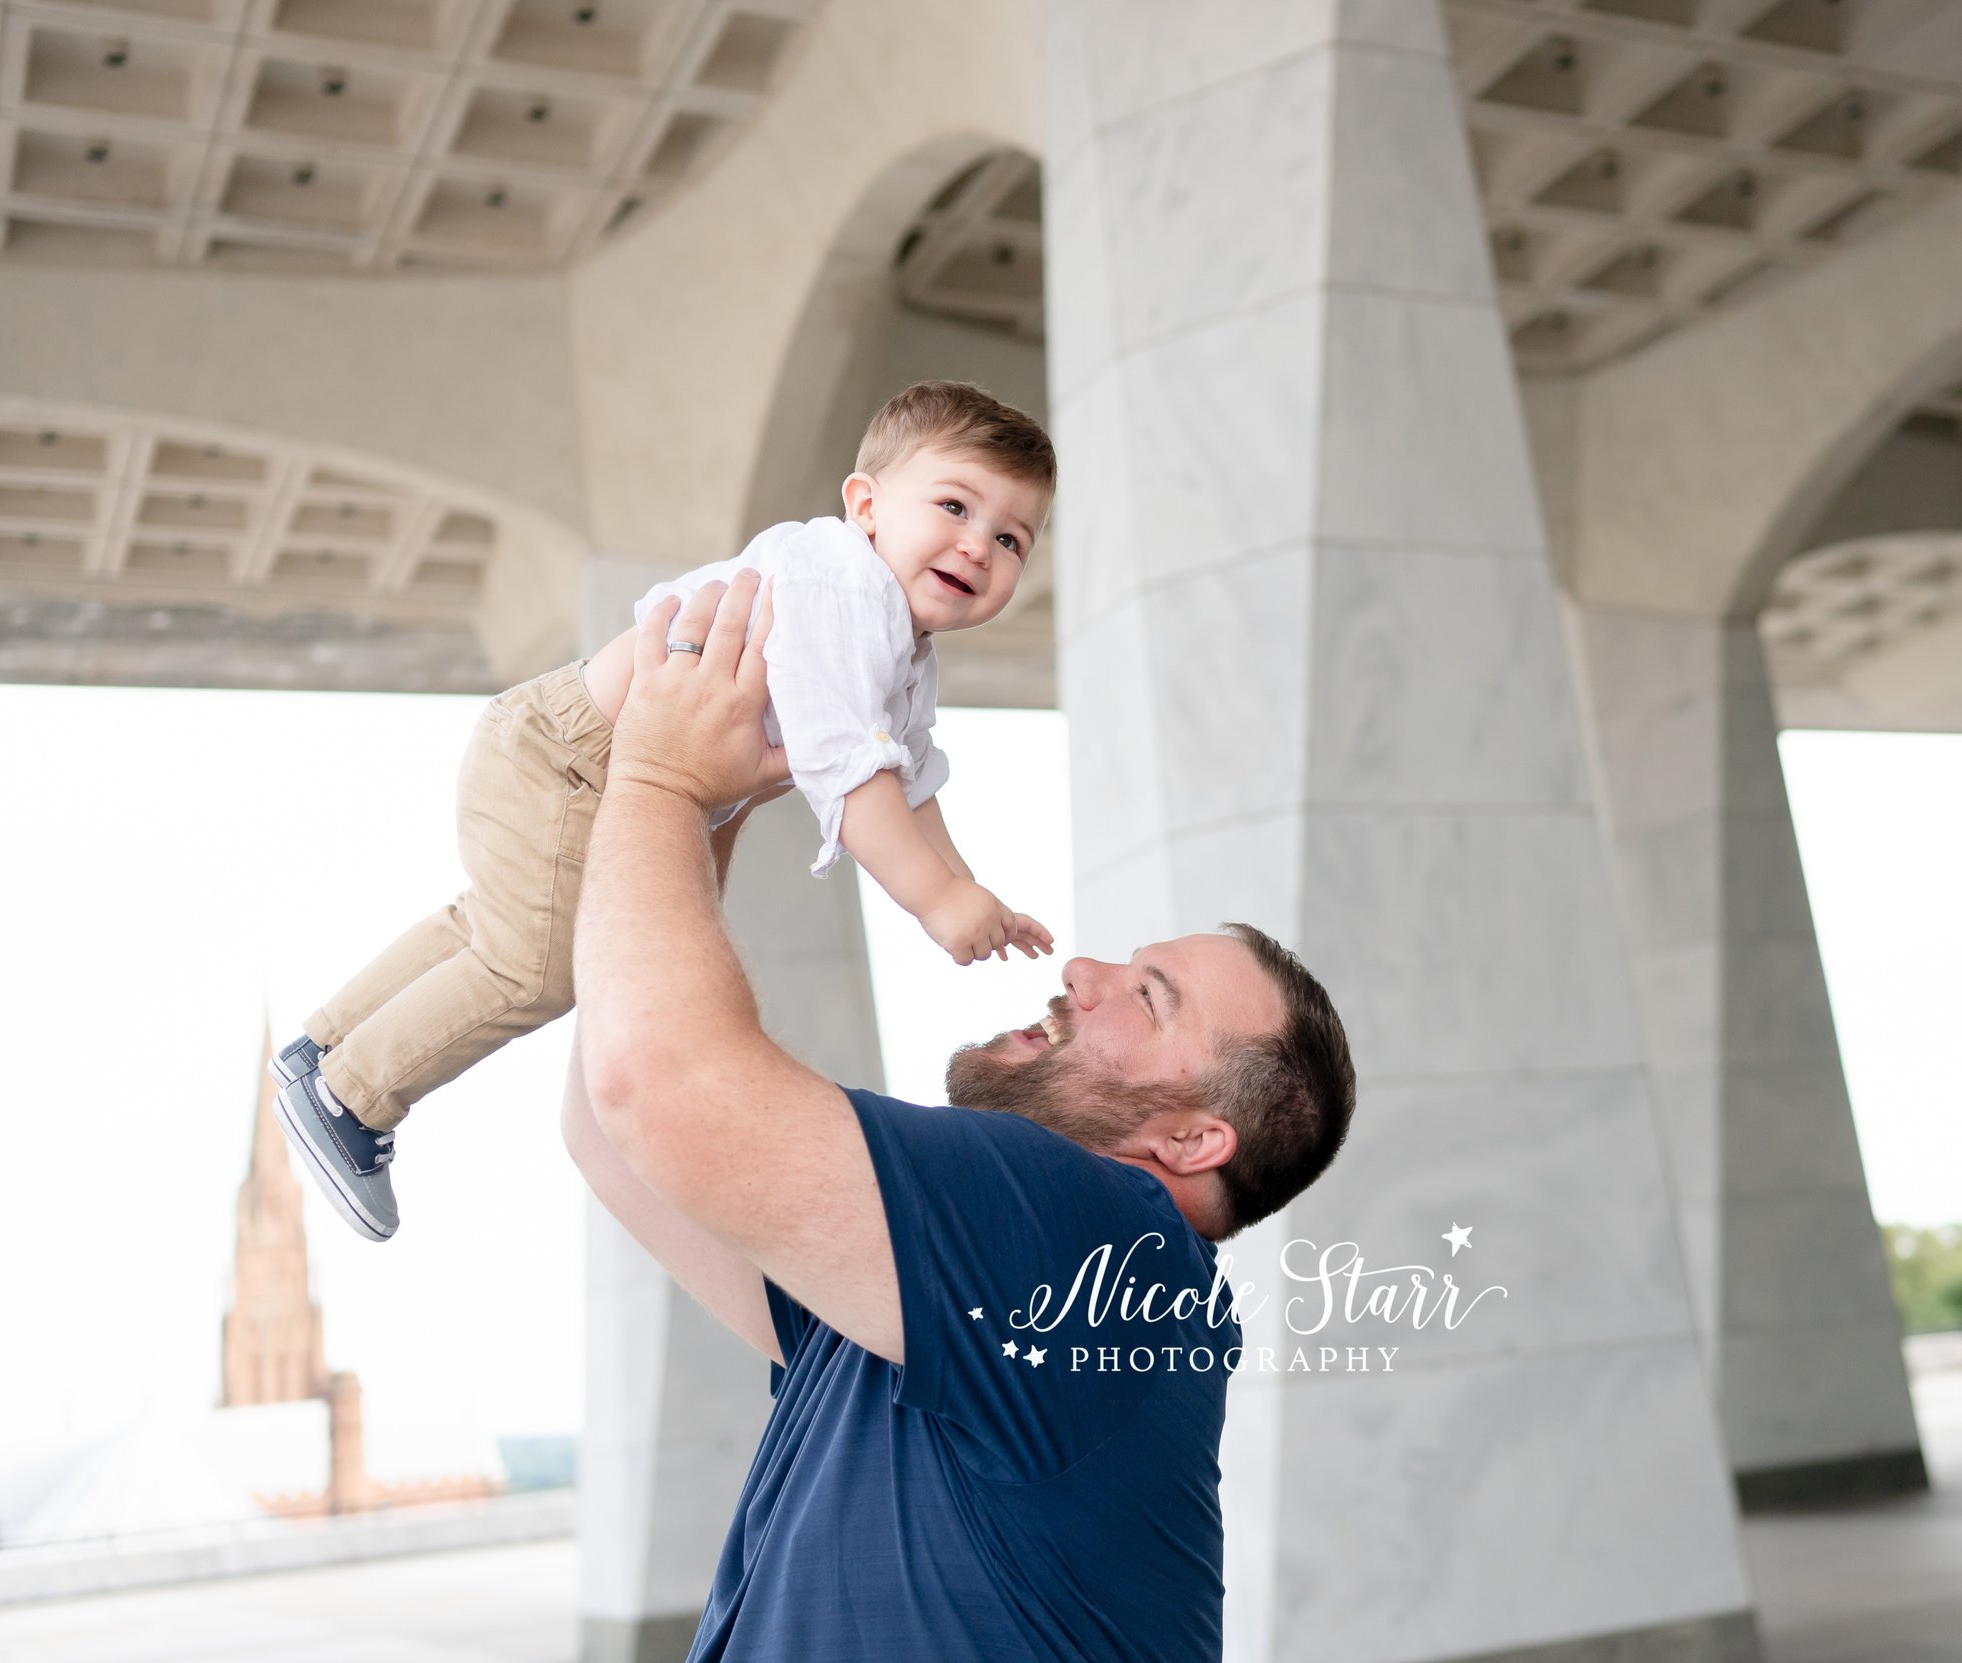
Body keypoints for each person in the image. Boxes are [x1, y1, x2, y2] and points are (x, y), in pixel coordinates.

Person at [567, 569, 1359, 1661]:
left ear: (1187, 1141)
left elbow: (651, 1084)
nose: (1081, 968)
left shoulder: (1102, 1238)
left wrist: (659, 770)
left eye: (1149, 995)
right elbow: (620, 1135)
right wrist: (716, 802)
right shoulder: (981, 1298)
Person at [267, 381, 1057, 1242]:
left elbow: (908, 779)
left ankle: (323, 1047)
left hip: (564, 752)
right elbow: (846, 770)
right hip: (575, 759)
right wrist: (937, 902)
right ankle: (352, 1097)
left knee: (488, 931)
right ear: (865, 505)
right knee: (542, 967)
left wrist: (970, 890)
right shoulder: (844, 590)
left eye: (1011, 537)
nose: (978, 546)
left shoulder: (902, 646)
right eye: (954, 506)